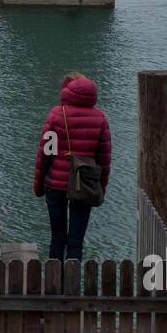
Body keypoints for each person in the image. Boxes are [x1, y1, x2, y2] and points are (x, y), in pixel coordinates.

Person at [32, 72, 112, 261]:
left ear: (67, 91)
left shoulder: (56, 114)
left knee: (57, 239)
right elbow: (104, 161)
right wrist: (100, 189)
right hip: (84, 185)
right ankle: (72, 285)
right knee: (76, 242)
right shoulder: (100, 119)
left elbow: (46, 152)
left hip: (55, 185)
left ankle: (54, 284)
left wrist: (39, 185)